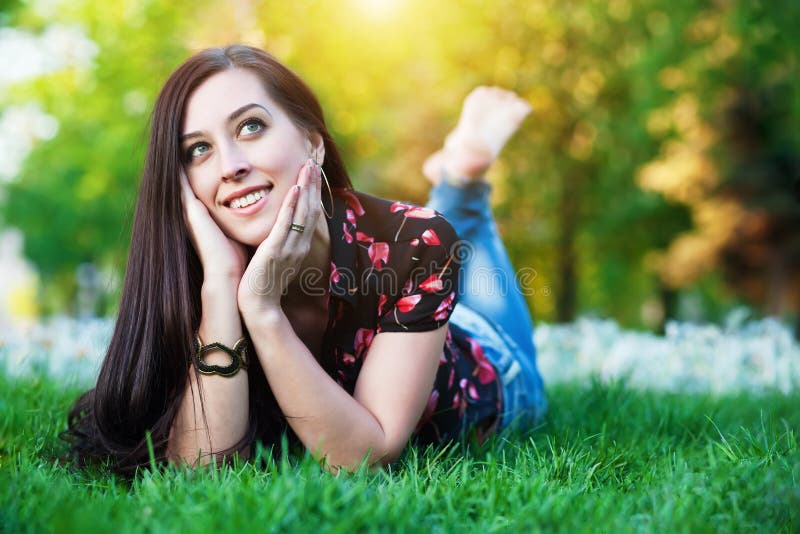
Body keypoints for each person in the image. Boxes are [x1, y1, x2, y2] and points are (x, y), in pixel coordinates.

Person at [64, 45, 546, 474]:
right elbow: (197, 472)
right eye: (199, 150)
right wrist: (222, 283)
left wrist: (263, 311)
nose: (230, 165)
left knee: (463, 224)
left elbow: (363, 457)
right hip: (413, 315)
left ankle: (461, 175)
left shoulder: (417, 240)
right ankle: (456, 176)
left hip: (493, 361)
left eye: (251, 126)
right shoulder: (189, 272)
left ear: (312, 141)